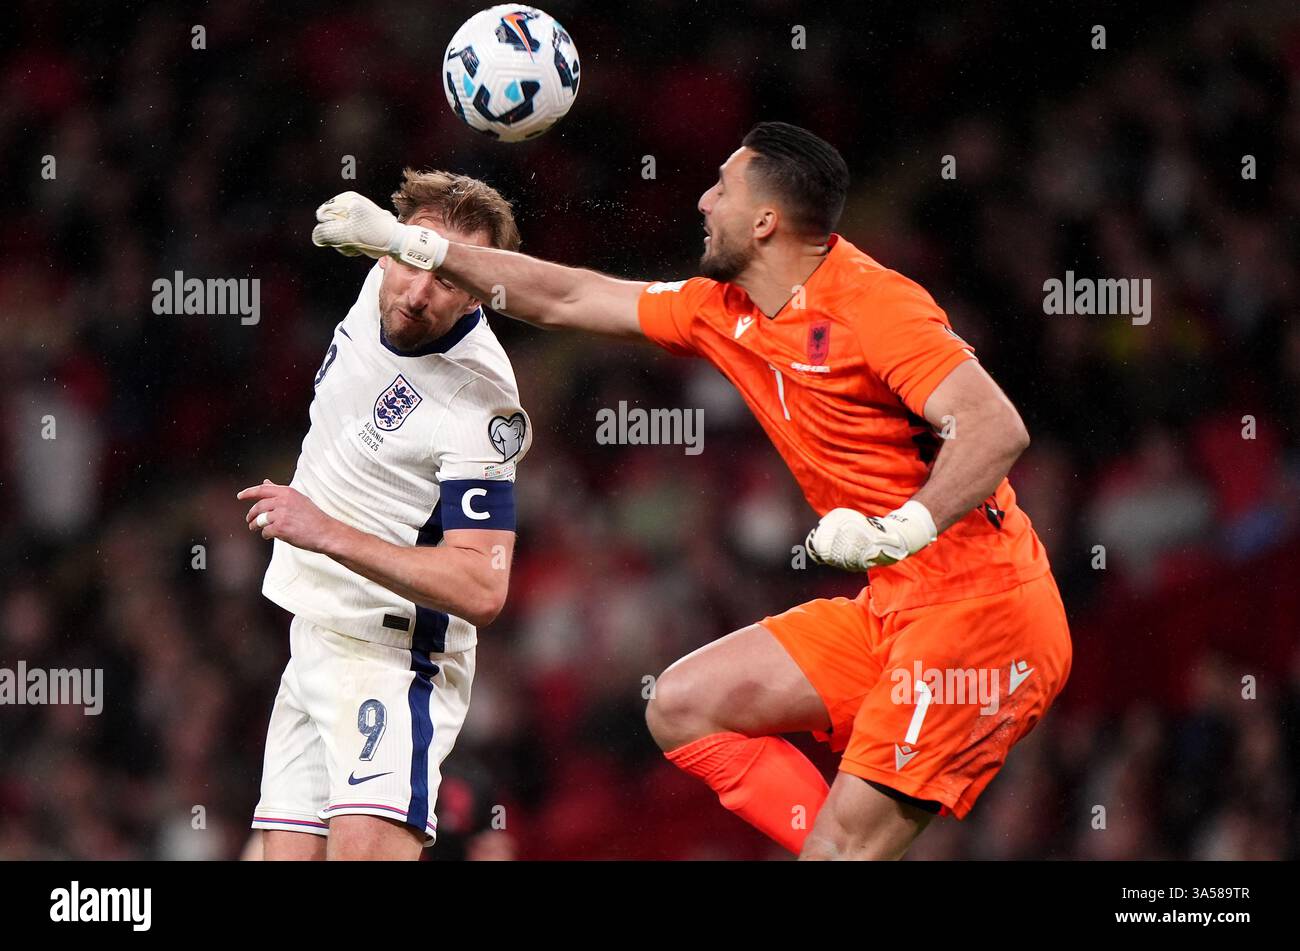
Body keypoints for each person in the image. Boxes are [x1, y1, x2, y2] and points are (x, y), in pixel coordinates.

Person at [309, 122, 1072, 860]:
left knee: (846, 848)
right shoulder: (723, 311)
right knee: (681, 704)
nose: (703, 202)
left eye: (722, 187)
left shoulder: (877, 304)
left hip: (983, 612)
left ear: (767, 220)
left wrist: (908, 524)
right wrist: (414, 244)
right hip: (895, 606)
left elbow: (994, 426)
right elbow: (569, 298)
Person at [241, 169, 531, 860]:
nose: (420, 289)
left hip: (392, 657)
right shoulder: (378, 282)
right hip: (314, 633)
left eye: (447, 276)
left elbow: (483, 588)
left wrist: (325, 531)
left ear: (476, 289)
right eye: (411, 258)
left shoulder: (481, 404)